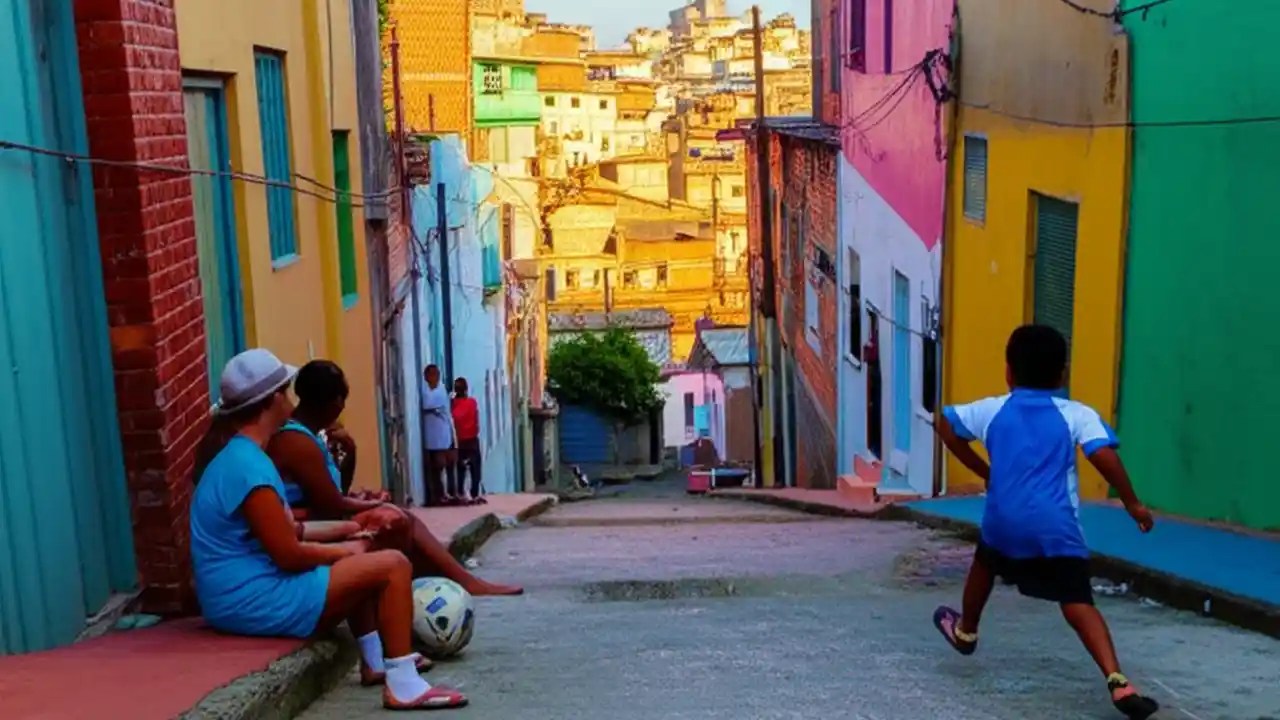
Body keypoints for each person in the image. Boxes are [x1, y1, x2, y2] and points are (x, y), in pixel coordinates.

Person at [190, 349, 464, 710]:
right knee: (392, 564)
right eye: (285, 392)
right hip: (250, 600)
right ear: (272, 401)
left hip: (236, 595)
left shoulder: (245, 456)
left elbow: (293, 530)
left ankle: (375, 661)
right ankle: (403, 684)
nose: (290, 399)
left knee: (363, 551)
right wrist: (347, 551)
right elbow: (288, 554)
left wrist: (354, 527)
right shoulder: (248, 466)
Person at [931, 325, 1159, 720]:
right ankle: (1118, 680)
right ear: (1062, 374)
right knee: (1077, 602)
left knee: (985, 562)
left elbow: (945, 424)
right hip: (1056, 528)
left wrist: (983, 469)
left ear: (1009, 372)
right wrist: (1133, 504)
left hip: (1004, 522)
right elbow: (1103, 456)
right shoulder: (1076, 414)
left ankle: (966, 631)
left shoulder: (993, 409)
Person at [270, 360, 523, 597]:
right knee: (396, 520)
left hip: (320, 520)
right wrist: (372, 504)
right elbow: (332, 505)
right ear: (335, 402)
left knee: (401, 519)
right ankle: (456, 584)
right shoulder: (298, 442)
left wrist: (351, 453)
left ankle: (448, 585)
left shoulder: (311, 437)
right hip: (310, 527)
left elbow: (336, 492)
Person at [420, 364, 456, 507]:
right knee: (432, 468)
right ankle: (435, 496)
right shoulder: (426, 389)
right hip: (431, 437)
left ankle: (443, 495)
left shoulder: (440, 390)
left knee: (440, 465)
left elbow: (428, 404)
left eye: (434, 375)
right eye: (429, 376)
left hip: (441, 436)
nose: (431, 378)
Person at [451, 377, 485, 506]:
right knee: (475, 468)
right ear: (466, 389)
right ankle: (475, 493)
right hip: (472, 439)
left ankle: (460, 492)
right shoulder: (472, 402)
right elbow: (476, 419)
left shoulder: (452, 404)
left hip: (459, 441)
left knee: (460, 468)